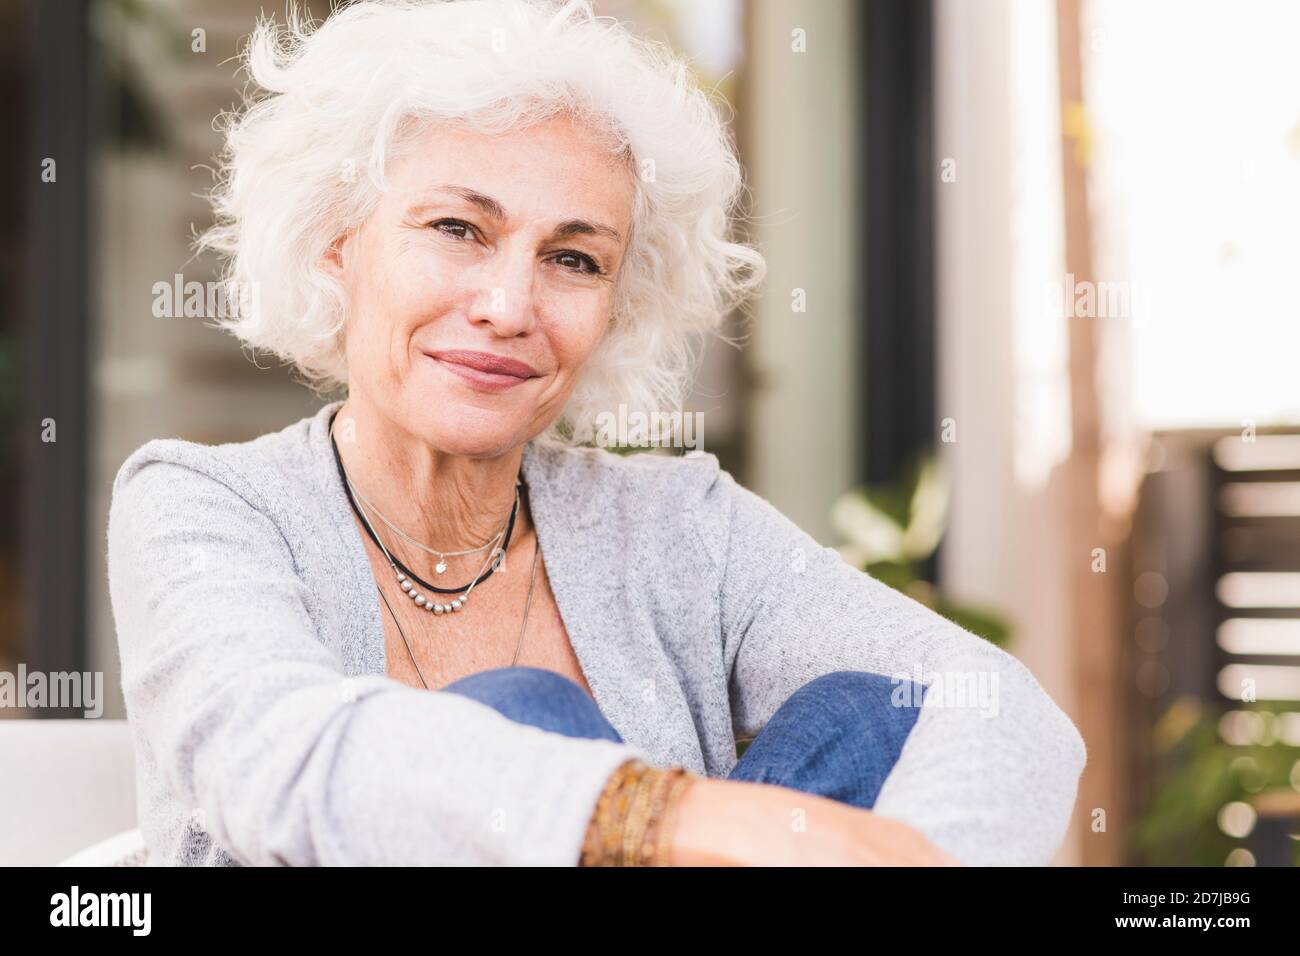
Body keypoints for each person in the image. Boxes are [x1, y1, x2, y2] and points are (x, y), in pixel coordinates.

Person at [106, 0, 1085, 866]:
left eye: (573, 257)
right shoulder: (198, 503)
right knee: (524, 717)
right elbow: (279, 760)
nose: (507, 303)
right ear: (337, 241)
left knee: (878, 716)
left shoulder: (674, 525)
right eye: (457, 228)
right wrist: (664, 816)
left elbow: (998, 705)